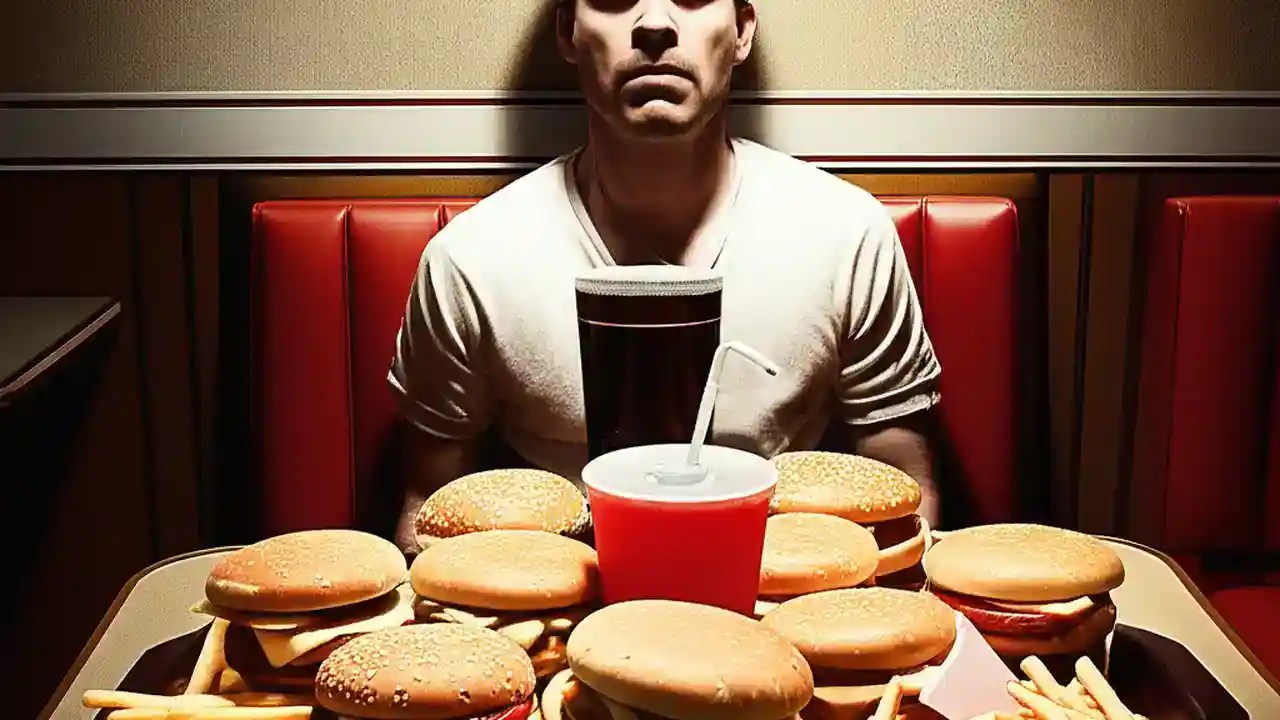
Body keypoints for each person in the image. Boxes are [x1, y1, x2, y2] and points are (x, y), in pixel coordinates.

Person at [388, 0, 942, 554]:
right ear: (569, 32)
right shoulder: (470, 259)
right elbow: (428, 515)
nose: (655, 23)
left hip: (782, 598)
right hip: (562, 608)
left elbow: (905, 497)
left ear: (742, 32)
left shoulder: (846, 234)